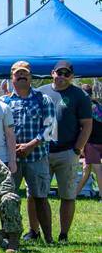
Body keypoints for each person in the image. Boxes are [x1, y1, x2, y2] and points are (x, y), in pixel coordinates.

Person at [37, 59, 92, 242]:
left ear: (72, 76)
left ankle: (63, 234)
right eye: (59, 73)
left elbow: (87, 126)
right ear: (52, 73)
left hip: (67, 151)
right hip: (42, 151)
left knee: (67, 195)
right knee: (37, 194)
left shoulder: (80, 95)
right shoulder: (40, 92)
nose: (62, 77)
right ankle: (35, 231)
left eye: (66, 74)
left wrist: (77, 149)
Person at [4, 60, 54, 244]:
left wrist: (30, 145)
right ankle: (11, 237)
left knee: (40, 197)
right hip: (12, 159)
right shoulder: (4, 101)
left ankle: (48, 238)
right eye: (18, 73)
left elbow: (50, 129)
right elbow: (2, 130)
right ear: (12, 77)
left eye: (25, 73)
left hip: (37, 157)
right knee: (9, 198)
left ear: (31, 76)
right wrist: (14, 148)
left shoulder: (43, 99)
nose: (21, 76)